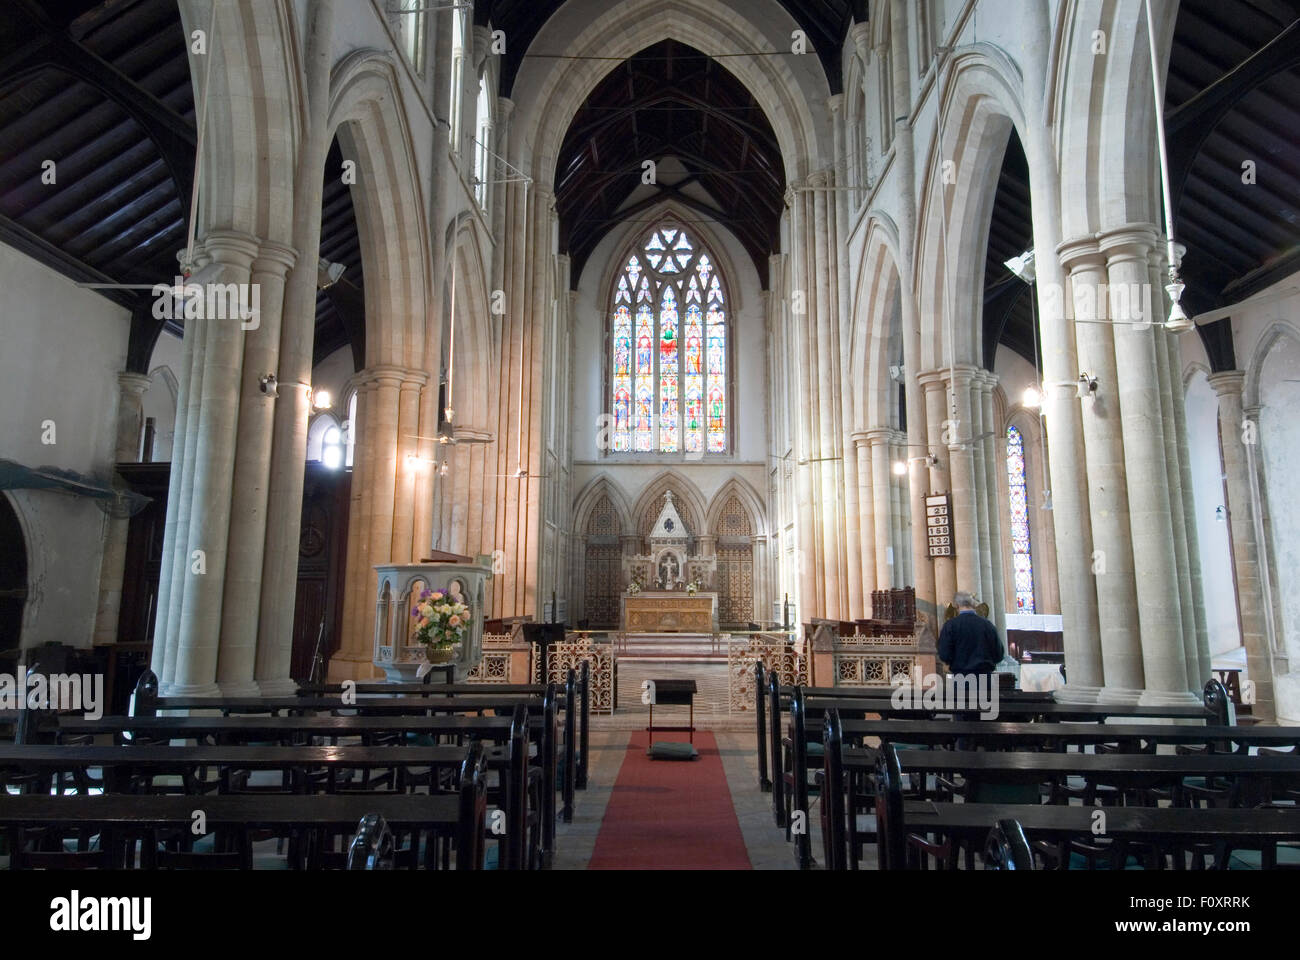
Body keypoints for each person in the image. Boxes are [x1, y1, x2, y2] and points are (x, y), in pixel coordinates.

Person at [937, 591, 1003, 675]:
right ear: (974, 605)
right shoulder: (987, 625)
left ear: (957, 605)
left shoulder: (950, 625)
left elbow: (944, 654)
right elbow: (999, 654)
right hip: (985, 677)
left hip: (961, 676)